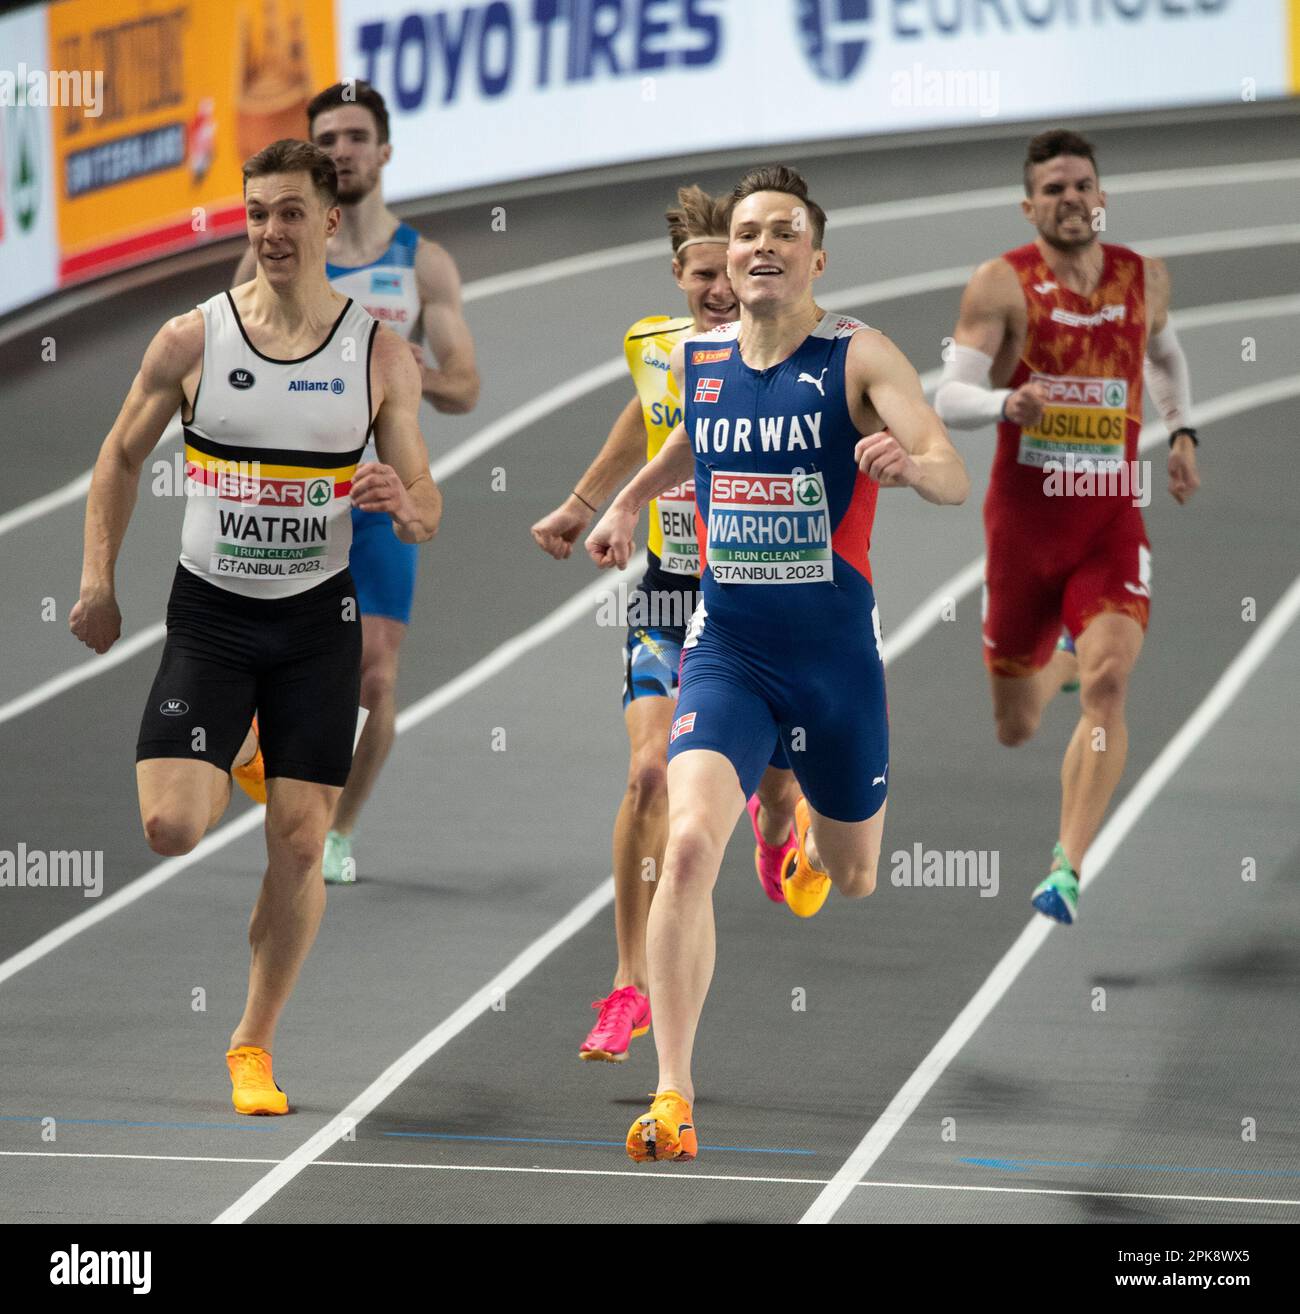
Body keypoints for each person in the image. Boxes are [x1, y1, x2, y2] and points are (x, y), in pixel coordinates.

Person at [586, 165, 968, 1160]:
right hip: (730, 649)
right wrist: (626, 504)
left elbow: (948, 466)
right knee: (690, 847)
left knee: (854, 877)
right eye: (748, 232)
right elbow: (690, 443)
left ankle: (794, 821)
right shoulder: (702, 358)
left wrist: (913, 465)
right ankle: (673, 1095)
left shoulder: (858, 358)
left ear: (814, 257)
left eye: (781, 234)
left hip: (835, 661)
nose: (759, 247)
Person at [71, 139, 441, 1114]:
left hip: (319, 625)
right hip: (214, 618)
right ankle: (242, 754)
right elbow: (115, 458)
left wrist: (401, 500)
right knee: (170, 827)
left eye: (290, 212)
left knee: (300, 840)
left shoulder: (378, 354)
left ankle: (251, 1044)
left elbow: (428, 506)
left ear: (328, 220)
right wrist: (97, 581)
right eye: (256, 213)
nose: (271, 231)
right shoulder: (192, 341)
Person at [531, 186, 800, 1064]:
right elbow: (647, 421)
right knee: (648, 776)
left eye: (728, 271)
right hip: (670, 589)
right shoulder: (656, 348)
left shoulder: (779, 350)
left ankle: (775, 828)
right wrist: (581, 503)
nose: (718, 291)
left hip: (757, 594)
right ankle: (626, 986)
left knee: (783, 788)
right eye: (700, 275)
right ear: (680, 277)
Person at [935, 128, 1200, 925]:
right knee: (1016, 724)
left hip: (1108, 522)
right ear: (1029, 206)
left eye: (1081, 184)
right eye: (1053, 189)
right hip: (1024, 530)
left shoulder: (1143, 276)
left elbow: (1164, 354)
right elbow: (949, 394)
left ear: (1101, 195)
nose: (1071, 199)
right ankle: (1061, 662)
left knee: (1112, 679)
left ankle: (1067, 866)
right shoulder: (1001, 284)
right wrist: (1002, 404)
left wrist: (1183, 430)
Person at [233, 81, 478, 885]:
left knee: (374, 674)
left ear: (384, 151)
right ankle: (263, 748)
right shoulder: (280, 249)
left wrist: (411, 371)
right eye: (327, 138)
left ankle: (336, 829)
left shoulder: (423, 264)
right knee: (268, 662)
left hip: (376, 496)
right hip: (284, 498)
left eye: (354, 136)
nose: (341, 150)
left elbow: (466, 386)